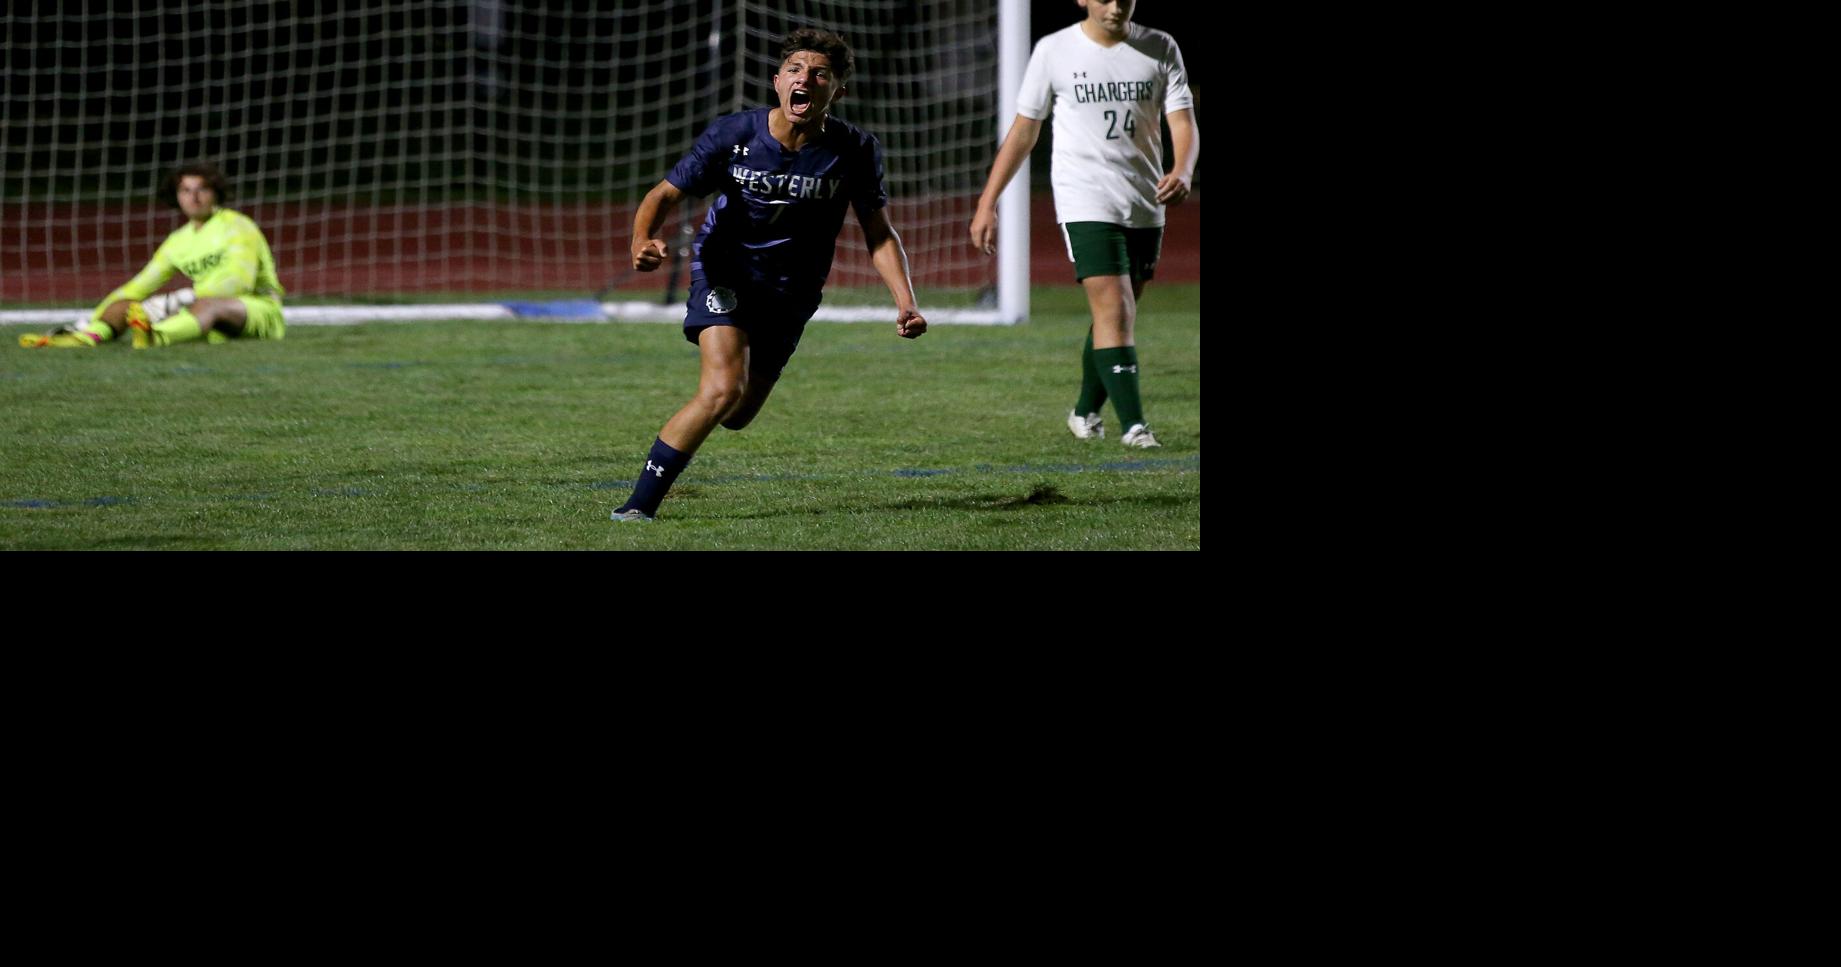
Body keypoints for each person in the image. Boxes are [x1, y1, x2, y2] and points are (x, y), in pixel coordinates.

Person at [611, 27, 927, 523]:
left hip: (792, 291)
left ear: (837, 91)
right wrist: (641, 240)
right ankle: (637, 508)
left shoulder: (855, 150)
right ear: (778, 81)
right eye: (796, 70)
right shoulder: (734, 134)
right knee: (721, 389)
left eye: (820, 74)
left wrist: (905, 301)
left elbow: (879, 233)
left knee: (737, 415)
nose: (806, 79)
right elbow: (663, 194)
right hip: (724, 270)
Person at [969, 0, 1197, 448]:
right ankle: (1135, 427)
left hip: (1145, 199)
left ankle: (1083, 410)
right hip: (1084, 197)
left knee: (1119, 310)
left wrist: (1183, 170)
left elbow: (1182, 121)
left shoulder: (1159, 46)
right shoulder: (1054, 50)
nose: (1115, 7)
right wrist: (987, 200)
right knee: (1115, 307)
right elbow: (1023, 129)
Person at [19, 161, 285, 349]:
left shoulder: (237, 226)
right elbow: (138, 286)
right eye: (185, 190)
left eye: (202, 189)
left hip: (257, 311)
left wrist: (178, 299)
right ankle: (89, 338)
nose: (194, 197)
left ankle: (155, 336)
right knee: (126, 303)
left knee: (208, 305)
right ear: (176, 195)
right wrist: (92, 320)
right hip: (203, 316)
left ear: (215, 193)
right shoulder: (177, 242)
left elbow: (238, 284)